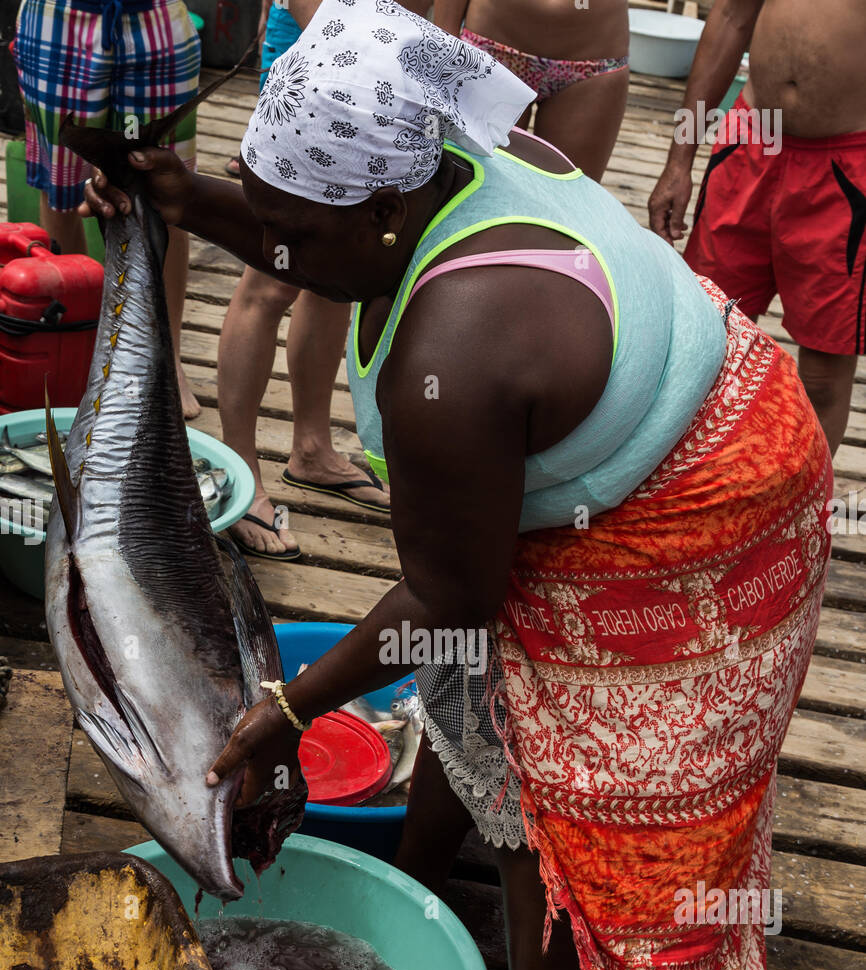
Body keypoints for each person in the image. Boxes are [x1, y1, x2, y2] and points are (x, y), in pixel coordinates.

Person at [85, 0, 832, 970]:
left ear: (382, 207)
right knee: (480, 716)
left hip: (697, 521)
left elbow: (450, 602)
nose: (262, 240)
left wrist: (288, 706)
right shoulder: (445, 158)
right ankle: (426, 872)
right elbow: (321, 243)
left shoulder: (463, 345)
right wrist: (183, 201)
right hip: (658, 429)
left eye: (280, 220)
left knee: (568, 813)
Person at [648, 0, 866, 458]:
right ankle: (687, 493)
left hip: (847, 167)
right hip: (750, 141)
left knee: (825, 376)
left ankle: (799, 512)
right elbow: (730, 19)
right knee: (705, 337)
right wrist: (678, 161)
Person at [219, 0, 389, 560]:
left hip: (387, 78)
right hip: (320, 64)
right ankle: (240, 474)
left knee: (335, 275)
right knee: (270, 280)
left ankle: (312, 449)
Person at [15, 0, 203, 418]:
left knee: (164, 189)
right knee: (61, 184)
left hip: (155, 18)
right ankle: (81, 341)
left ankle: (166, 360)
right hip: (57, 17)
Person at [434, 0, 629, 180]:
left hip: (594, 64)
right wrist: (444, 42)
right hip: (490, 51)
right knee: (467, 190)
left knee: (568, 200)